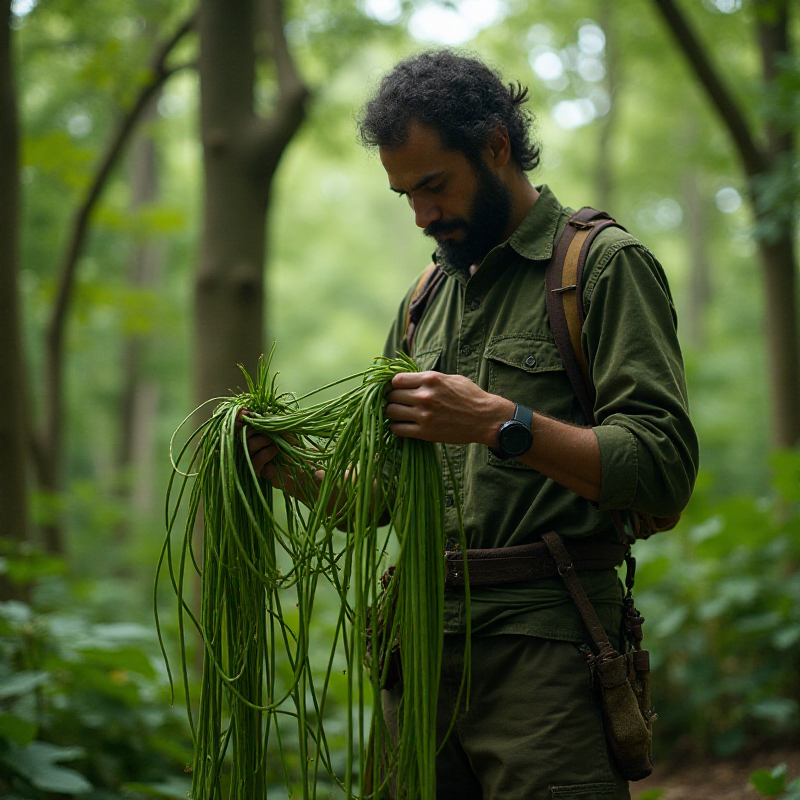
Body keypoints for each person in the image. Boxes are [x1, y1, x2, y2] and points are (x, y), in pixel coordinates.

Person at [248, 49, 699, 800]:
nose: (423, 215)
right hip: (418, 655)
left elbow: (662, 470)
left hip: (549, 653)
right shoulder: (425, 299)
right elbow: (383, 499)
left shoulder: (600, 267)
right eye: (405, 196)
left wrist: (499, 421)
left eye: (434, 186)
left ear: (496, 147)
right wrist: (282, 467)